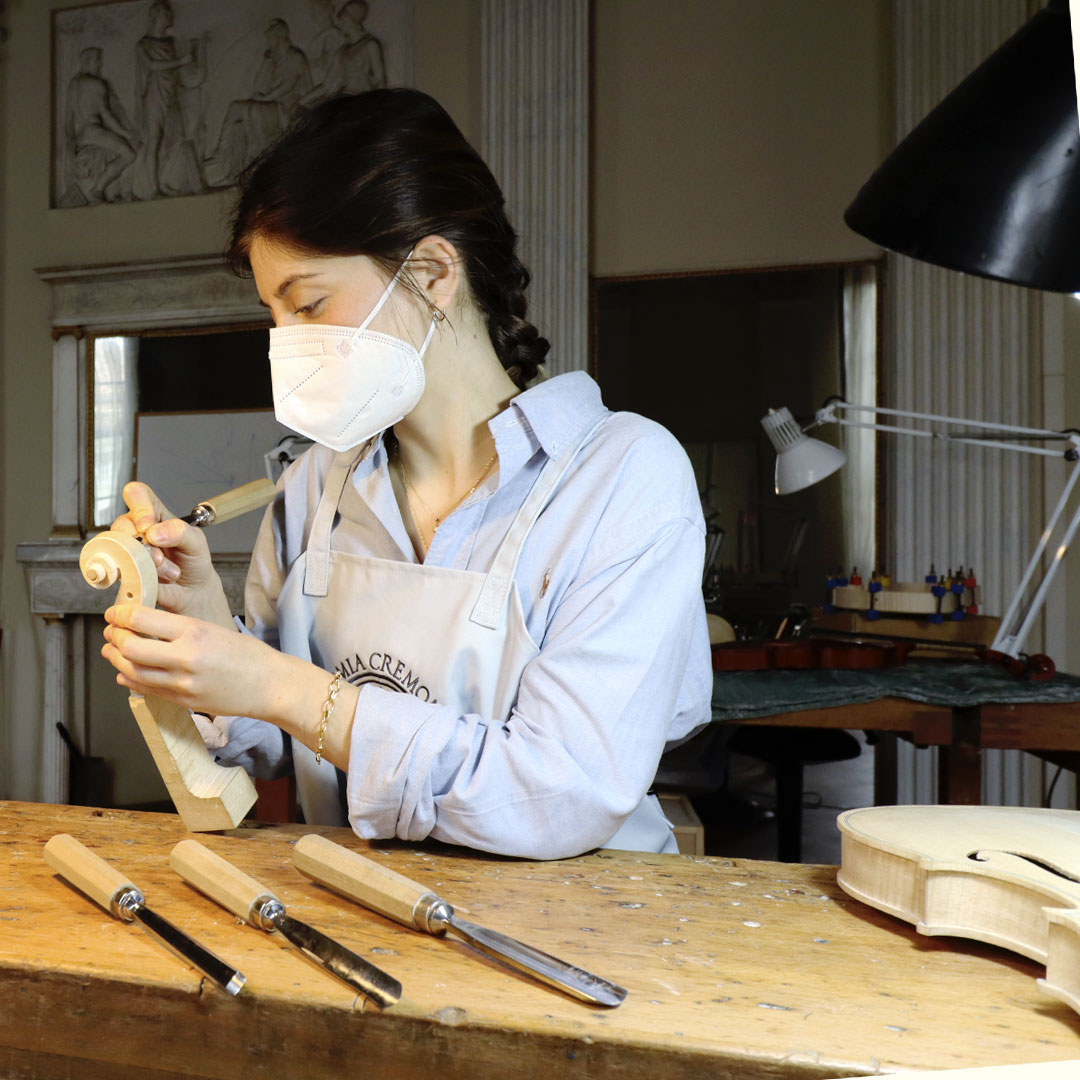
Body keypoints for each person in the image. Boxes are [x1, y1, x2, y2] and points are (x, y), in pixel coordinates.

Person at [101, 89, 712, 860]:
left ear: (430, 273)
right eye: (272, 315)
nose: (283, 345)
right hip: (363, 930)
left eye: (309, 303)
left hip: (576, 945)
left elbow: (560, 791)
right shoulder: (313, 490)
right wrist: (201, 628)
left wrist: (285, 687)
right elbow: (255, 748)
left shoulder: (622, 476)